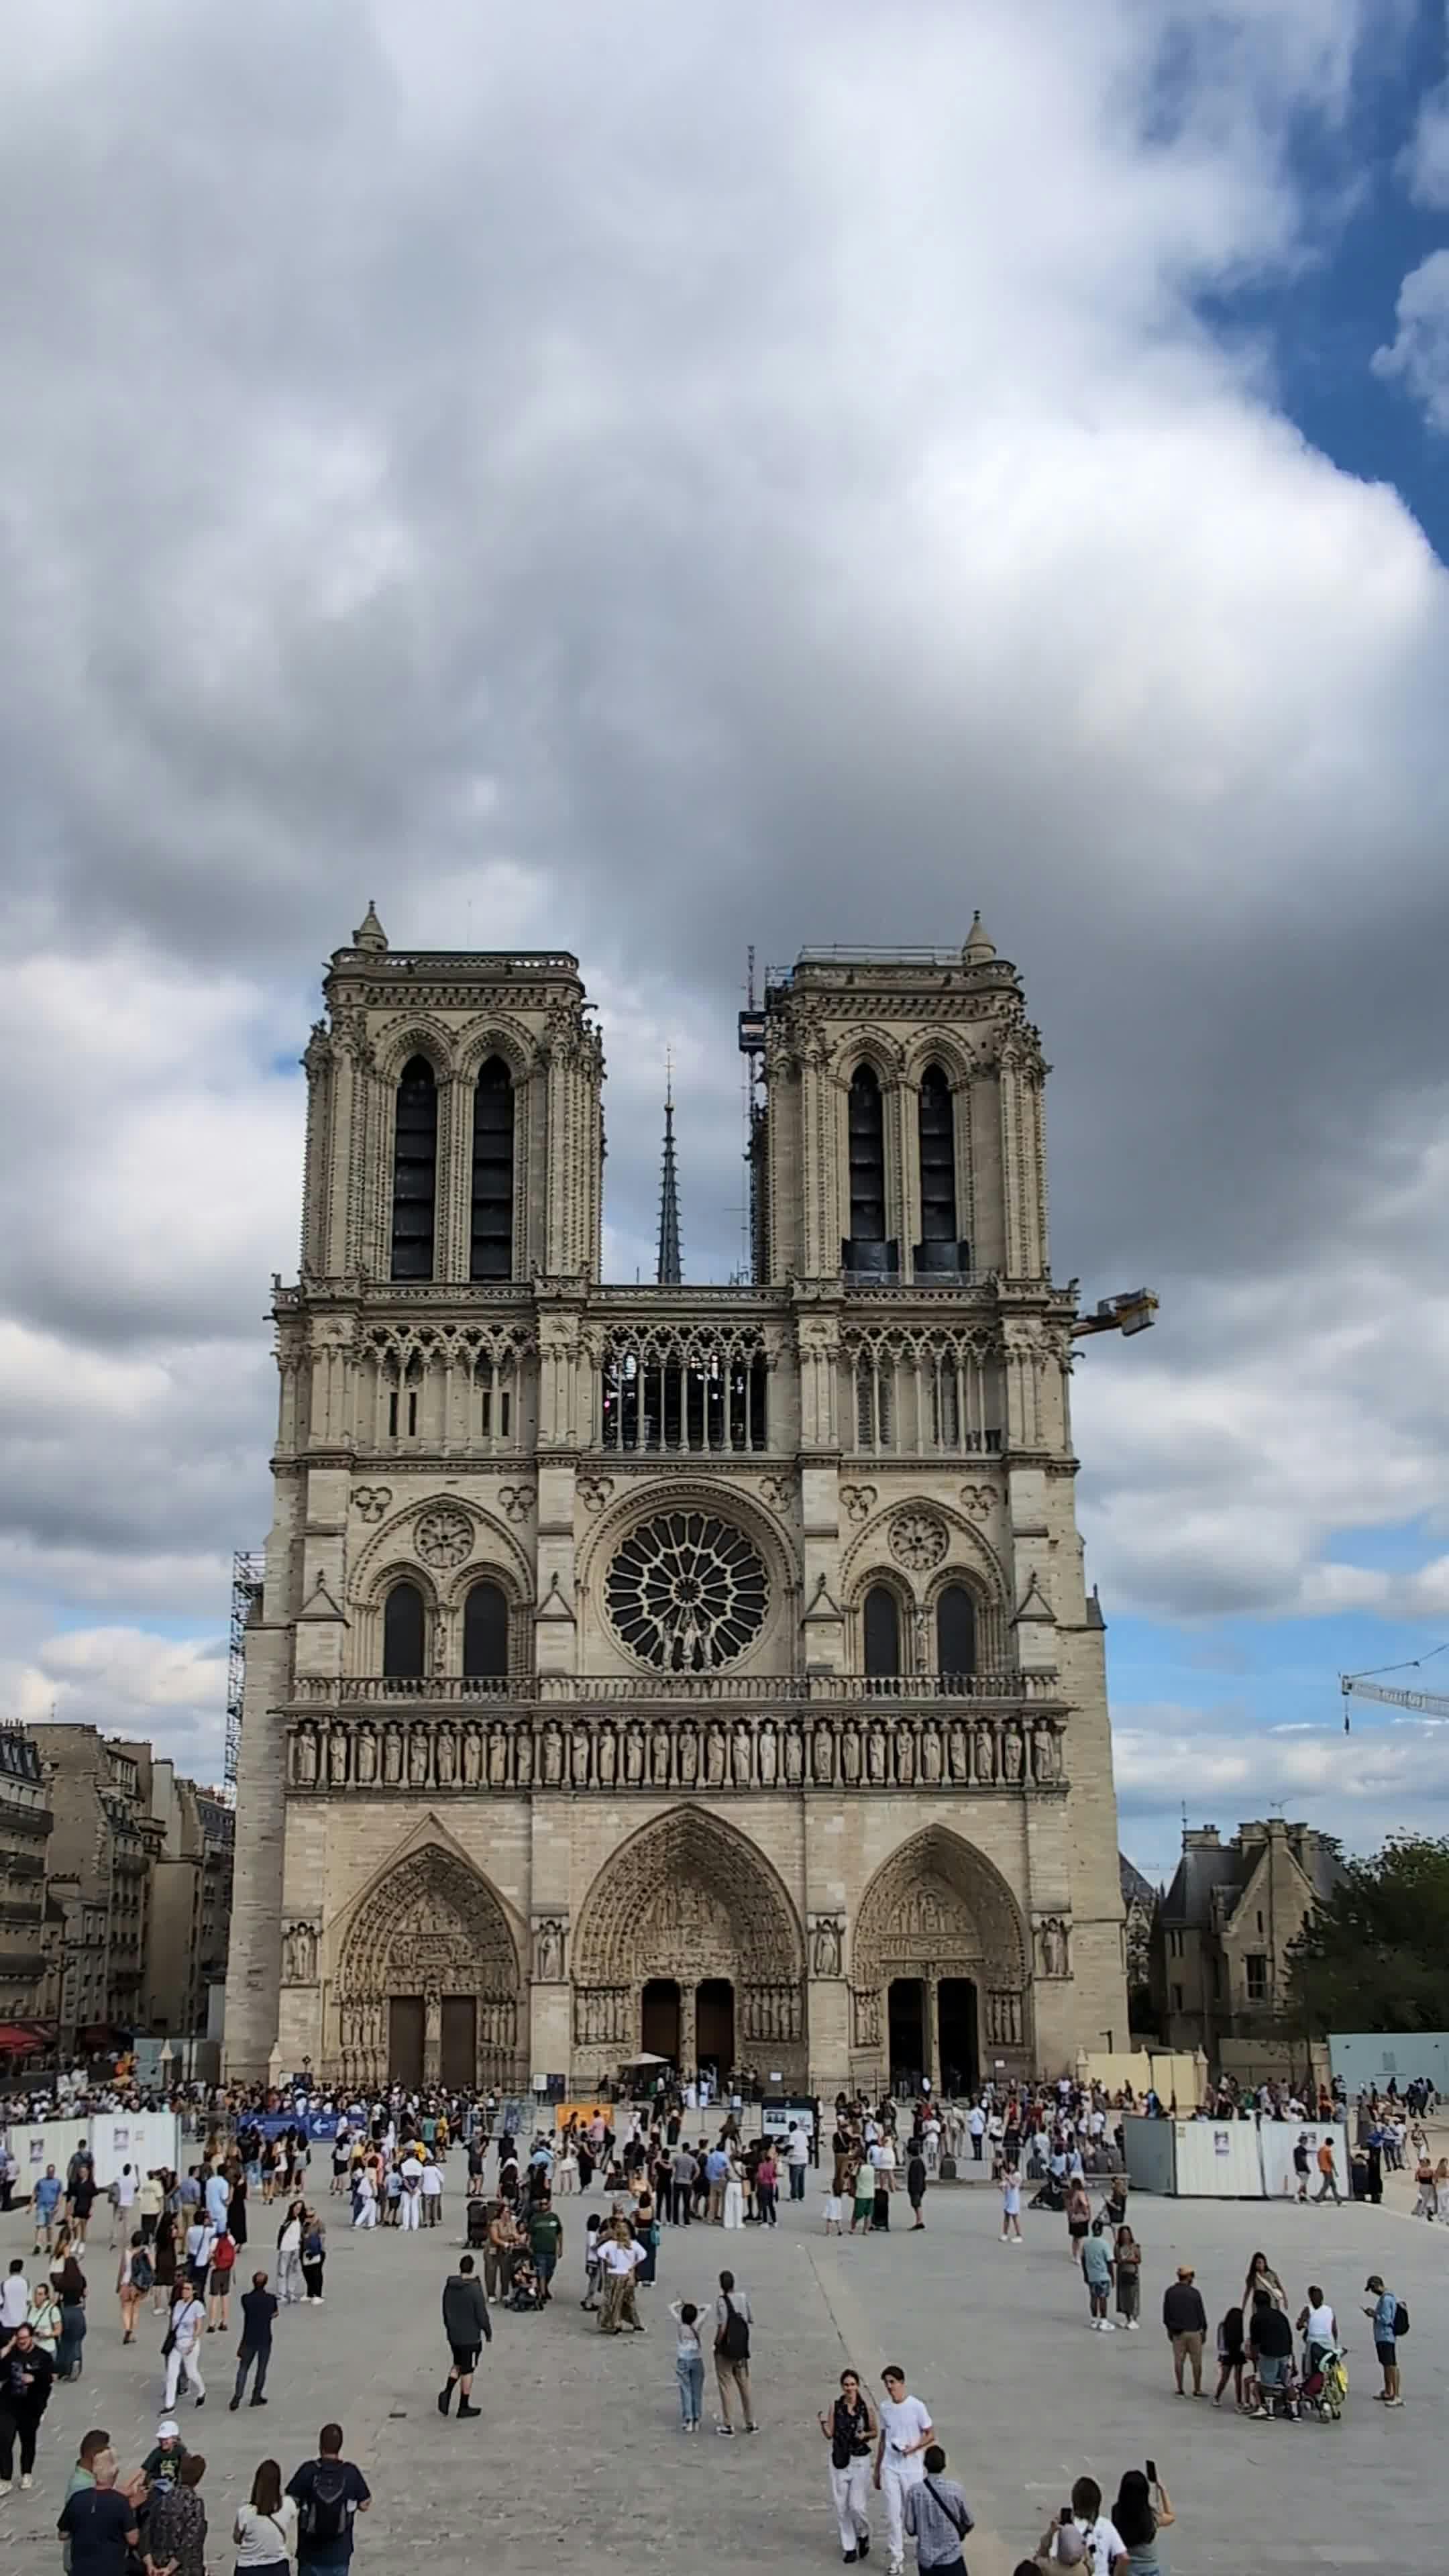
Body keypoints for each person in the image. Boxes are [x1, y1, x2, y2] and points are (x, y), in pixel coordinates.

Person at [287, 2424, 371, 2576]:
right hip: (339, 2553)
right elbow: (365, 2503)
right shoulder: (350, 2472)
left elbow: (291, 2501)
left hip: (310, 2553)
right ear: (340, 2445)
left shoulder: (308, 2471)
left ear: (320, 2445)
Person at [874, 2365, 933, 2576]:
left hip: (912, 2468)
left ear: (902, 2383)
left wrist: (913, 2448)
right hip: (890, 2467)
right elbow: (883, 2438)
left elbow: (930, 2434)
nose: (890, 2387)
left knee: (916, 2514)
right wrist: (877, 2468)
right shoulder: (885, 2408)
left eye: (893, 2382)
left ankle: (924, 2551)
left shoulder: (916, 2406)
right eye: (887, 2383)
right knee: (893, 2514)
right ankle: (897, 2558)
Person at [820, 2367, 876, 2564]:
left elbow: (874, 2431)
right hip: (840, 2458)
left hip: (860, 2459)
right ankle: (849, 2547)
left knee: (857, 2505)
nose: (849, 2389)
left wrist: (865, 2435)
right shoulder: (836, 2407)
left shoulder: (865, 2408)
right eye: (846, 2385)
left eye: (853, 2385)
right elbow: (830, 2433)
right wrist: (823, 2424)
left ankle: (863, 2532)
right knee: (842, 2506)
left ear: (858, 2386)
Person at [57, 2449, 140, 2576]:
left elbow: (63, 2534)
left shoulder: (77, 2498)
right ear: (115, 2473)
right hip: (111, 2569)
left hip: (81, 2569)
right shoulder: (120, 2502)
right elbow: (133, 2539)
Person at [902, 2442, 973, 2576]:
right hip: (952, 2558)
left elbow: (910, 2529)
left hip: (927, 2561)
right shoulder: (955, 2490)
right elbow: (969, 2521)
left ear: (925, 2465)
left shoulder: (914, 2492)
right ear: (944, 2465)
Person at [0, 2318, 54, 2493]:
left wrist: (35, 2379)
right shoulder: (12, 2354)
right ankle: (5, 2478)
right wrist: (8, 2347)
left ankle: (26, 2473)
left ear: (32, 2338)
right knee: (5, 2440)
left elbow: (47, 2382)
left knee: (27, 2441)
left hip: (31, 2407)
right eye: (19, 2338)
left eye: (25, 2338)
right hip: (9, 2404)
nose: (22, 2342)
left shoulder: (43, 2357)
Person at [438, 2254, 490, 2418]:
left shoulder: (450, 2287)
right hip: (470, 2337)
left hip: (454, 2335)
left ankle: (447, 2392)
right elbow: (481, 2314)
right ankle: (463, 2405)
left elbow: (445, 2310)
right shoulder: (474, 2289)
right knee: (468, 2370)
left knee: (458, 2363)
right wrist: (487, 2331)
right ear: (472, 2268)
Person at [1040, 2475, 1124, 2575]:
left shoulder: (1062, 2530)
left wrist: (1051, 2532)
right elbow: (1123, 2558)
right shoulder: (1106, 2526)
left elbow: (1043, 2557)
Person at [233, 2457, 298, 2576]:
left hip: (248, 2569)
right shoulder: (287, 2505)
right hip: (277, 2567)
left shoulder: (245, 2513)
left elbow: (237, 2539)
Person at [146, 2452, 207, 2576]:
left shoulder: (163, 2499)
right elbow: (191, 2540)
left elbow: (147, 2532)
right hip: (185, 2569)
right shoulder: (194, 2503)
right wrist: (170, 2567)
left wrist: (150, 2564)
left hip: (159, 2564)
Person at [713, 2269, 755, 2434]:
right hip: (741, 2349)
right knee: (744, 2384)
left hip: (726, 2349)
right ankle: (751, 2421)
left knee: (726, 2385)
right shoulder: (743, 2298)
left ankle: (729, 2423)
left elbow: (722, 2327)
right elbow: (750, 2319)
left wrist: (716, 2344)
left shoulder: (722, 2302)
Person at [230, 2269, 278, 2410]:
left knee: (243, 2368)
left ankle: (237, 2397)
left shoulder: (246, 2298)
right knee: (261, 2369)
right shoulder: (271, 2299)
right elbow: (275, 2313)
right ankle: (256, 2396)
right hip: (264, 2338)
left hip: (248, 2338)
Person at [1111, 2469, 1175, 2573]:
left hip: (1127, 2571)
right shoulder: (1150, 2517)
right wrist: (1162, 2489)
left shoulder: (1117, 2513)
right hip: (1151, 2571)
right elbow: (1171, 2517)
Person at [1246, 2286, 1293, 2416]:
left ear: (1255, 2304)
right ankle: (1295, 2411)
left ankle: (1270, 2410)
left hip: (1269, 2353)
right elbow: (1289, 2336)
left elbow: (1255, 2343)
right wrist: (1291, 2356)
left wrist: (1255, 2359)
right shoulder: (1280, 2315)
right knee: (1288, 2383)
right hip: (1285, 2351)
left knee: (1267, 2383)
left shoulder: (1256, 2318)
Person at [1161, 2264, 1206, 2396]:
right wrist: (1204, 2330)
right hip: (1194, 2331)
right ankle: (1197, 2388)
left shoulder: (1170, 2292)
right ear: (1189, 2277)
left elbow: (1166, 2314)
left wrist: (1169, 2329)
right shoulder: (1195, 2293)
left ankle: (1180, 2388)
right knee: (1196, 2362)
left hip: (1177, 2332)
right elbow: (1201, 2314)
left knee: (1179, 2361)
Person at [163, 2280, 207, 2410]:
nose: (184, 2291)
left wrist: (193, 2341)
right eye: (184, 2289)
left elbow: (199, 2326)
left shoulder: (197, 2306)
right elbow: (173, 2324)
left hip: (190, 2343)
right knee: (172, 2374)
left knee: (191, 2373)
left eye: (188, 2289)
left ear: (193, 2291)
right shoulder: (178, 2304)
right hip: (177, 2344)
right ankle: (169, 2405)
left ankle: (202, 2391)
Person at [1363, 2273, 1403, 2407]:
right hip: (1382, 2337)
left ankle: (1396, 2395)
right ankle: (1388, 2391)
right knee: (1386, 2364)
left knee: (1391, 2365)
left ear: (1376, 2286)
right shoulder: (1386, 2298)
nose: (1372, 2292)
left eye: (1372, 2289)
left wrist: (1373, 2314)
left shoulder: (1386, 2300)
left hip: (1387, 2336)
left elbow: (1386, 2319)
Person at [670, 2298, 704, 2433]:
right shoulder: (696, 2326)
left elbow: (671, 2308)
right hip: (697, 2359)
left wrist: (679, 2303)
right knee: (697, 2390)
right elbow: (708, 2309)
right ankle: (697, 2419)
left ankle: (688, 2419)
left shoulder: (680, 2325)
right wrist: (699, 2307)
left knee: (686, 2389)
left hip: (683, 2360)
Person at [1296, 2284, 1338, 2379]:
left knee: (1309, 2369)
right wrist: (1335, 2345)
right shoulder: (1329, 2310)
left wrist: (1301, 2324)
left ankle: (1308, 2379)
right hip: (1329, 2344)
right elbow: (1334, 2330)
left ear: (1310, 2298)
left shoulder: (1308, 2309)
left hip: (1314, 2345)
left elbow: (1299, 2326)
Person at [527, 2194, 563, 2301]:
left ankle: (544, 2288)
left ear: (550, 2205)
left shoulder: (554, 2218)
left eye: (545, 2204)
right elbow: (530, 2234)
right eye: (541, 2204)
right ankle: (542, 2294)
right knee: (541, 2272)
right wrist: (529, 2246)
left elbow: (559, 2233)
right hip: (539, 2250)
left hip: (551, 2250)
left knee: (549, 2272)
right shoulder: (535, 2218)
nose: (543, 2206)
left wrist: (560, 2248)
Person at [1081, 2220, 1115, 2330]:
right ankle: (1104, 2320)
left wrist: (1085, 2274)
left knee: (1094, 2298)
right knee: (1103, 2298)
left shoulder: (1087, 2244)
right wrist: (1113, 2277)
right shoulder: (1104, 2244)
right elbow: (1109, 2261)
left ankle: (1094, 2320)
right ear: (1101, 2230)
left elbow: (1083, 2259)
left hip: (1092, 2275)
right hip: (1103, 2275)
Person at [118, 2232, 150, 2345]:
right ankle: (132, 2332)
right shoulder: (145, 2251)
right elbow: (152, 2266)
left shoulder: (127, 2252)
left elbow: (122, 2269)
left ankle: (127, 2329)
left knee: (126, 2308)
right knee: (135, 2309)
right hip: (139, 2284)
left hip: (127, 2283)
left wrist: (119, 2284)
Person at [1212, 2302, 1244, 2409]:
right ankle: (1239, 2402)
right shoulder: (1239, 2326)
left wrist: (1222, 2354)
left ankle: (1217, 2397)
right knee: (1238, 2378)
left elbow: (1221, 2342)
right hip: (1238, 2353)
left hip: (1227, 2354)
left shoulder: (1223, 2326)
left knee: (1224, 2377)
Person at [1113, 2224, 1141, 2328]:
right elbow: (1116, 2259)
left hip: (1132, 2273)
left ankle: (1134, 2318)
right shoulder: (1117, 2246)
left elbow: (1139, 2260)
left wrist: (1128, 2260)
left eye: (1127, 2234)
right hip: (1122, 2273)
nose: (1125, 2236)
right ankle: (1127, 2318)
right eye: (1123, 2234)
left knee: (1133, 2295)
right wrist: (1120, 2260)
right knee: (1123, 2296)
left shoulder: (1134, 2246)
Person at [33, 2166, 63, 2258]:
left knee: (49, 2226)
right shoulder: (41, 2182)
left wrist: (58, 2205)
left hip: (51, 2206)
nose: (50, 2173)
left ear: (54, 2172)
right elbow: (35, 2192)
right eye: (49, 2171)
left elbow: (60, 2194)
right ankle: (38, 2244)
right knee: (40, 2225)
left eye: (52, 2172)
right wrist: (31, 2205)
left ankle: (49, 2244)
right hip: (41, 2206)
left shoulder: (58, 2182)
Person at [301, 2212, 326, 2306]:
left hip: (317, 2252)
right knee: (307, 2272)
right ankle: (310, 2293)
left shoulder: (320, 2224)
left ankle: (318, 2295)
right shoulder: (305, 2225)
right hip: (306, 2252)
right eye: (307, 2216)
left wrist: (318, 2250)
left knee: (316, 2273)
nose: (309, 2218)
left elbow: (322, 2237)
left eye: (311, 2216)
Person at [0, 2261, 28, 2334]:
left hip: (6, 2323)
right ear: (21, 2269)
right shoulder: (26, 2283)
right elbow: (29, 2302)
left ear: (10, 2270)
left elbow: (1, 2303)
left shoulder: (4, 2284)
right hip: (22, 2322)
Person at [786, 2122, 810, 2202]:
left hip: (795, 2159)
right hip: (804, 2158)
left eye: (789, 2127)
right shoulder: (803, 2133)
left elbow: (791, 2145)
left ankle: (794, 2197)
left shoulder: (792, 2134)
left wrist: (783, 2150)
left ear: (791, 2127)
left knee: (794, 2179)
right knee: (801, 2178)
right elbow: (807, 2145)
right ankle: (801, 2196)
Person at [1313, 2135, 1341, 2203]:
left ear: (1325, 2142)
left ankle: (1338, 2200)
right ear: (1331, 2144)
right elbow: (1331, 2161)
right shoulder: (1327, 2150)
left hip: (1323, 2168)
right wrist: (1335, 2170)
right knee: (1327, 2184)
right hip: (1328, 2169)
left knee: (1333, 2185)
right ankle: (1319, 2198)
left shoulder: (1321, 2149)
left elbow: (1319, 2159)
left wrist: (1321, 2167)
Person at [907, 2144, 927, 2231]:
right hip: (921, 2186)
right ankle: (919, 2220)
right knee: (916, 2204)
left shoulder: (914, 2163)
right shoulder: (920, 2161)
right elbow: (925, 2173)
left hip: (915, 2187)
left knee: (917, 2204)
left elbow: (912, 2177)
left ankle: (920, 2221)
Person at [1000, 2163, 1022, 2243]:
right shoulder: (1010, 2174)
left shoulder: (1017, 2174)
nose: (1010, 2166)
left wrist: (1006, 2176)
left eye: (1011, 2164)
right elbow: (1006, 2186)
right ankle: (1005, 2234)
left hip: (1014, 2199)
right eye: (1009, 2164)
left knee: (1014, 2217)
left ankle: (1019, 2235)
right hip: (1008, 2198)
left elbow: (1014, 2185)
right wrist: (1002, 2185)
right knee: (1006, 2216)